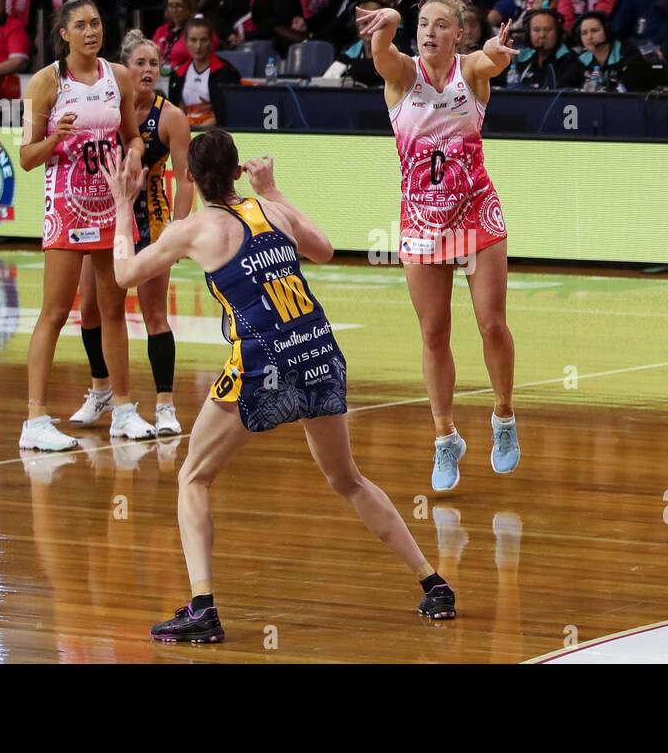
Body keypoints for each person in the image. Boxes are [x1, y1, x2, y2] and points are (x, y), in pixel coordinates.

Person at [96, 130, 457, 640]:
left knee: (193, 478)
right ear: (239, 170)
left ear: (191, 179)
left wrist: (121, 205)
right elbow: (326, 250)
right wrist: (274, 189)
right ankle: (433, 584)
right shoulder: (271, 211)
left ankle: (203, 609)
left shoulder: (192, 228)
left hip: (265, 359)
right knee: (348, 479)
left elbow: (125, 274)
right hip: (319, 348)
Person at [355, 0, 522, 491]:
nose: (430, 31)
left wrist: (496, 51)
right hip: (423, 223)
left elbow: (489, 61)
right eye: (423, 23)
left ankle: (504, 418)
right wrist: (386, 19)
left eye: (441, 24)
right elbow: (380, 53)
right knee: (434, 333)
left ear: (458, 34)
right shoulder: (402, 75)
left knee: (492, 324)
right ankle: (445, 437)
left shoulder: (469, 71)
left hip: (476, 213)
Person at [18, 0, 153, 452]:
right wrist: (57, 136)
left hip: (111, 208)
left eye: (96, 23)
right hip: (67, 208)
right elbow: (26, 158)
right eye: (82, 25)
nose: (92, 32)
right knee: (55, 312)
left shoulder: (119, 76)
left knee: (114, 311)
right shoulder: (45, 83)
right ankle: (35, 419)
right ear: (64, 33)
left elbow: (133, 137)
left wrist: (134, 156)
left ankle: (124, 410)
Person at [71, 31, 192, 437]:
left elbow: (187, 181)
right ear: (123, 70)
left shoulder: (171, 117)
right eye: (139, 63)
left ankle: (165, 406)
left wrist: (179, 228)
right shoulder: (106, 112)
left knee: (155, 315)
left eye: (154, 64)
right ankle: (101, 389)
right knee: (91, 310)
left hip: (153, 228)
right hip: (106, 223)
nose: (148, 71)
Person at [168, 16, 241, 128]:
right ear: (186, 42)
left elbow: (229, 114)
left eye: (203, 40)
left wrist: (199, 130)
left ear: (211, 41)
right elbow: (176, 111)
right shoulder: (178, 75)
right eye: (193, 40)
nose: (198, 46)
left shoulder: (226, 72)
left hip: (215, 135)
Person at [501, 8, 583, 88]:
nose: (542, 35)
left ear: (558, 32)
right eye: (536, 30)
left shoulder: (571, 61)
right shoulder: (521, 60)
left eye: (548, 29)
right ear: (528, 33)